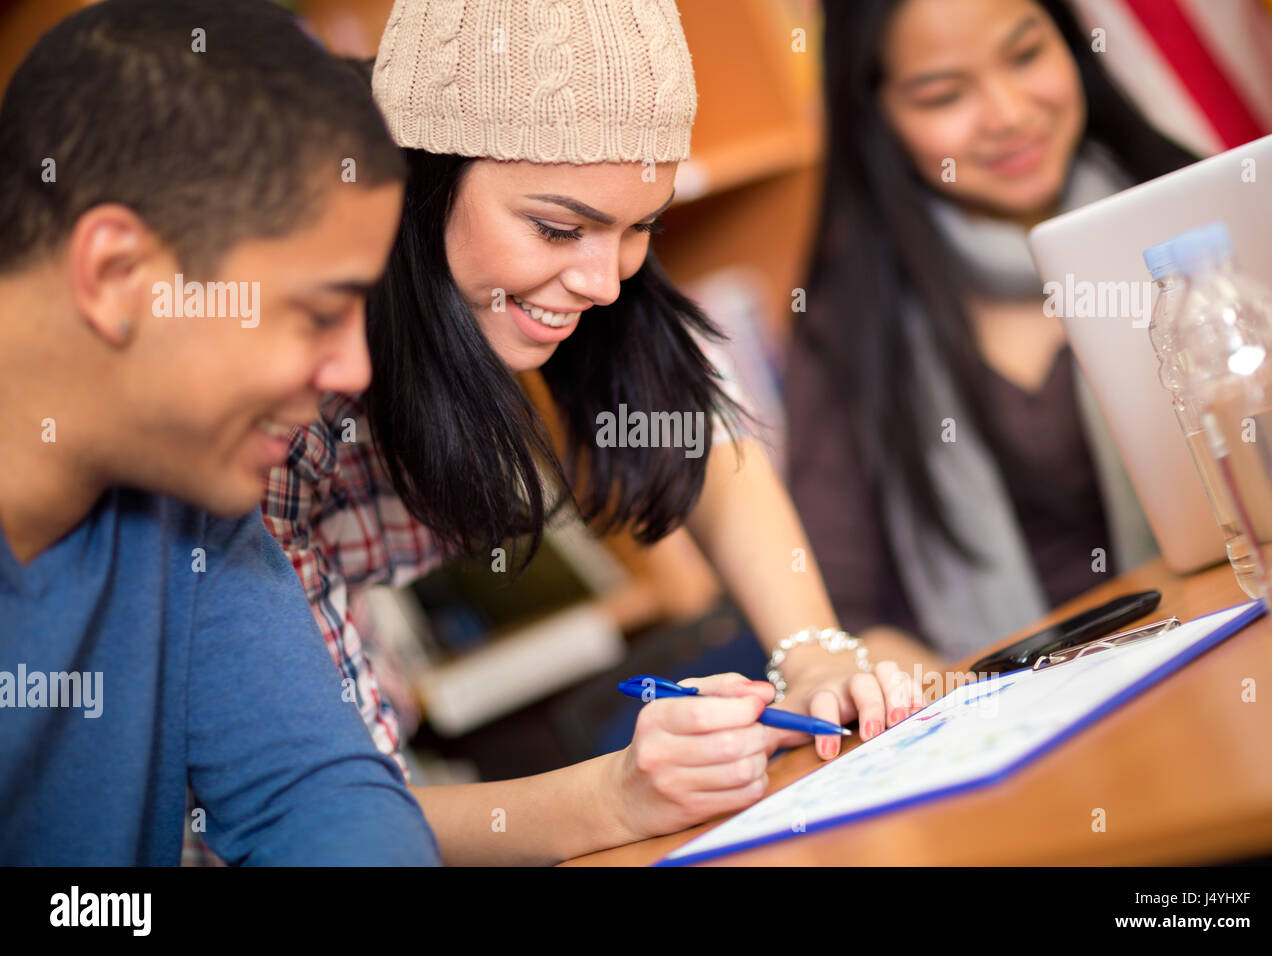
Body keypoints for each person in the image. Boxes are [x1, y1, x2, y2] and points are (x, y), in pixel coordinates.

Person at [256, 0, 921, 866]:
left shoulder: (569, 255)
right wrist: (616, 798)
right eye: (558, 228)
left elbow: (695, 436)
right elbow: (317, 823)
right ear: (419, 179)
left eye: (639, 226)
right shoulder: (282, 395)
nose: (605, 281)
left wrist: (815, 654)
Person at [0, 0, 437, 865]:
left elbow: (317, 797)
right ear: (120, 276)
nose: (356, 369)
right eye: (320, 312)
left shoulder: (187, 502)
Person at [785, 0, 1198, 671]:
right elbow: (842, 617)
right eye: (943, 94)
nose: (1007, 115)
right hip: (1010, 707)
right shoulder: (849, 319)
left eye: (1026, 55)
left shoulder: (1190, 208)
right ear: (878, 118)